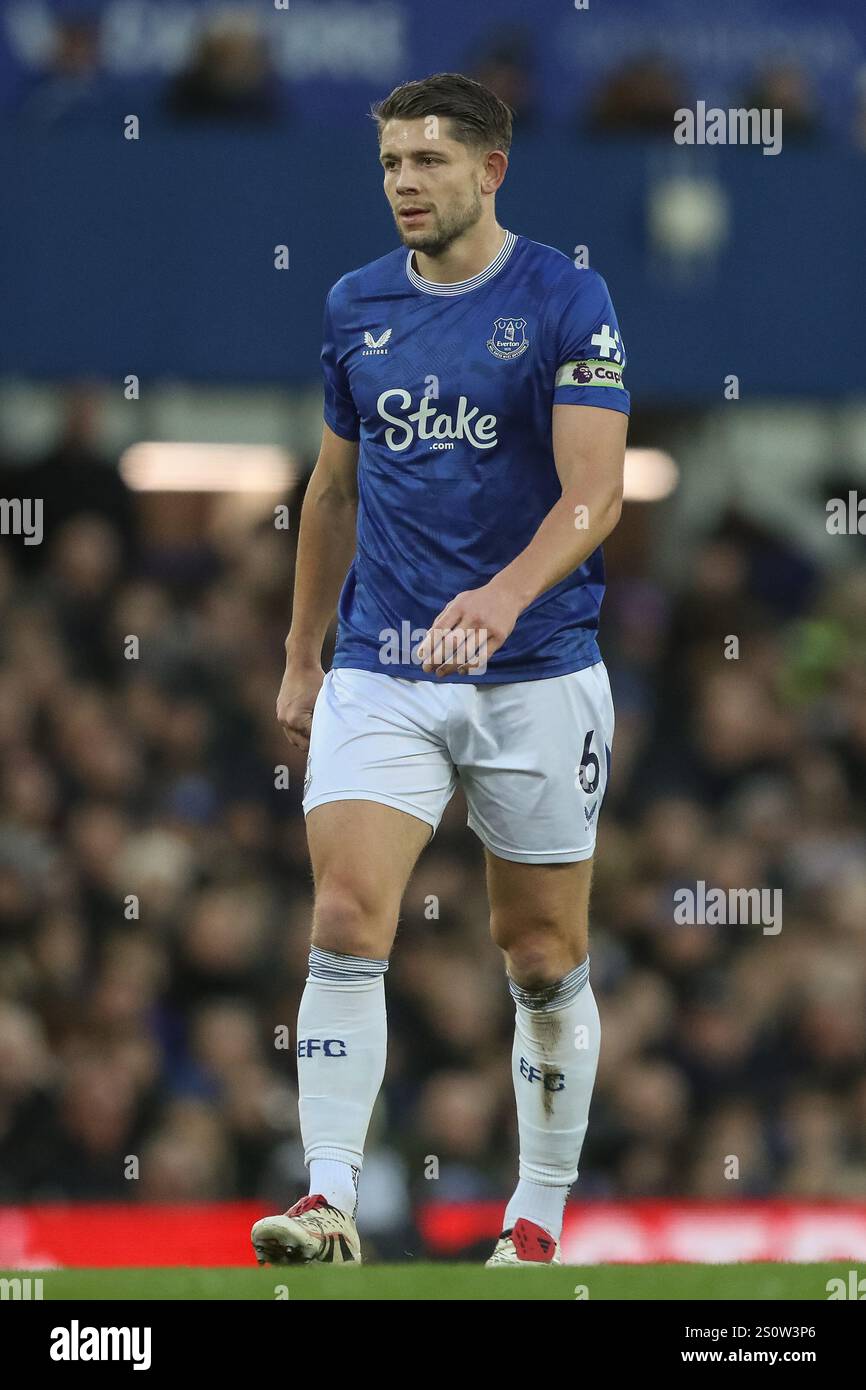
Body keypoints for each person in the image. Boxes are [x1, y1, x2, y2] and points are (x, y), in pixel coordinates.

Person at [251, 71, 629, 1268]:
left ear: (489, 169)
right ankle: (326, 1200)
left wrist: (503, 595)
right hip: (387, 665)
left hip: (538, 666)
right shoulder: (355, 305)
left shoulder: (568, 298)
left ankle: (535, 1218)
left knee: (538, 953)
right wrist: (304, 652)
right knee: (344, 916)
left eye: (426, 161)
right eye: (389, 166)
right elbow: (333, 490)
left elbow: (596, 492)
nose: (405, 183)